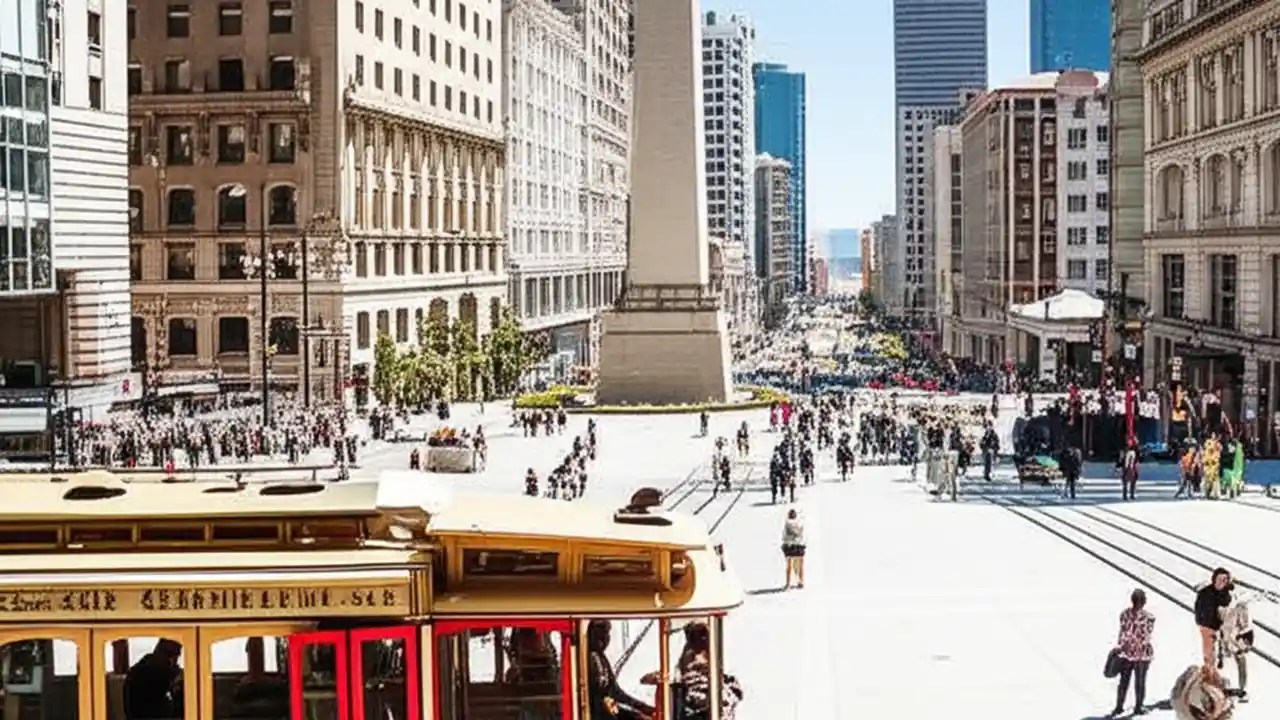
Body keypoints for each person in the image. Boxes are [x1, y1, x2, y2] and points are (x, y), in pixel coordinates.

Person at [586, 621, 653, 720]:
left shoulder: (601, 658)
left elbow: (614, 691)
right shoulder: (589, 658)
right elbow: (597, 698)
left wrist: (641, 707)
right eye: (601, 634)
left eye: (607, 634)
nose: (605, 639)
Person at [1111, 589, 1154, 717]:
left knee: (1124, 681)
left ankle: (1119, 706)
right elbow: (1147, 635)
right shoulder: (1149, 617)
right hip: (1142, 655)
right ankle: (1138, 707)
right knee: (1140, 682)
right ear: (1144, 602)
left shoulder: (1124, 614)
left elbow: (1123, 632)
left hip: (1126, 652)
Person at [124, 639, 184, 720]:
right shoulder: (141, 675)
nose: (171, 661)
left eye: (176, 656)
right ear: (158, 651)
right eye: (168, 654)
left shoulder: (170, 675)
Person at [1195, 568, 1233, 673]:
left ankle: (1218, 665)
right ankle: (1210, 671)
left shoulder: (1225, 594)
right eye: (1220, 579)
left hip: (1221, 626)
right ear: (1214, 579)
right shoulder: (1205, 593)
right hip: (1207, 625)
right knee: (1209, 652)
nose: (1222, 582)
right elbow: (1200, 611)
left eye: (1225, 580)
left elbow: (1227, 606)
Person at [781, 508, 805, 590]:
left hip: (789, 547)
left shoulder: (787, 523)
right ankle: (801, 581)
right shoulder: (800, 523)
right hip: (799, 546)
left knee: (789, 566)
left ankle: (788, 583)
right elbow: (802, 534)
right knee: (800, 565)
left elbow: (784, 535)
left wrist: (784, 543)